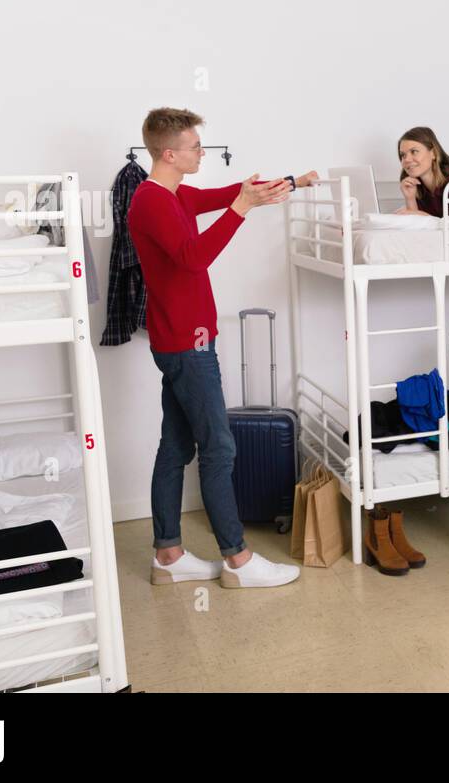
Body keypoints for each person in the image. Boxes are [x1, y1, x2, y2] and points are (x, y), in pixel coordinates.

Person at [127, 106, 319, 589]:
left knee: (175, 447)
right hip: (187, 348)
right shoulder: (151, 201)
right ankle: (238, 559)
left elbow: (228, 193)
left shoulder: (171, 195)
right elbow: (194, 259)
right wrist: (243, 210)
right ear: (169, 153)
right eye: (195, 147)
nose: (201, 154)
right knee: (219, 448)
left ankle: (168, 555)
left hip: (181, 342)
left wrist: (290, 183)